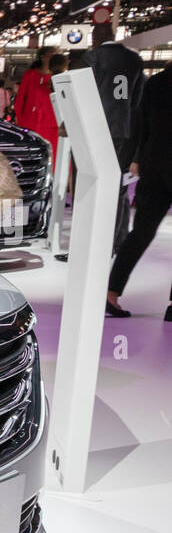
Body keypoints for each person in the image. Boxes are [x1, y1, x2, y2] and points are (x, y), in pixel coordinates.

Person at [106, 60, 172, 319]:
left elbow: (140, 124)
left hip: (153, 165)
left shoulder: (155, 82)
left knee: (141, 232)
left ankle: (111, 292)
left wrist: (136, 158)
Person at [84, 21, 147, 254]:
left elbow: (86, 94)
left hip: (99, 129)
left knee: (97, 184)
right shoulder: (135, 60)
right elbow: (139, 100)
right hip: (127, 130)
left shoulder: (93, 58)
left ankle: (100, 239)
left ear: (95, 37)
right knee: (119, 186)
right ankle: (118, 238)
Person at [14, 47, 56, 142]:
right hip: (29, 122)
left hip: (50, 125)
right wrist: (20, 119)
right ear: (43, 57)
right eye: (51, 54)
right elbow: (20, 98)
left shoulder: (56, 77)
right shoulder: (30, 75)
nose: (54, 57)